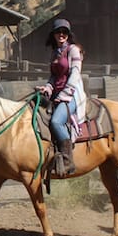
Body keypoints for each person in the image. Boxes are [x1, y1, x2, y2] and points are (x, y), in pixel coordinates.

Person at [36, 19, 86, 176]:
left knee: (56, 122)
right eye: (58, 32)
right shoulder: (55, 53)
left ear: (68, 35)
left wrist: (65, 94)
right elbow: (53, 77)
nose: (61, 34)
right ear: (54, 35)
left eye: (64, 32)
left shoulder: (73, 50)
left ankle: (67, 159)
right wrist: (48, 87)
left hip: (72, 95)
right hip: (57, 95)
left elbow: (75, 73)